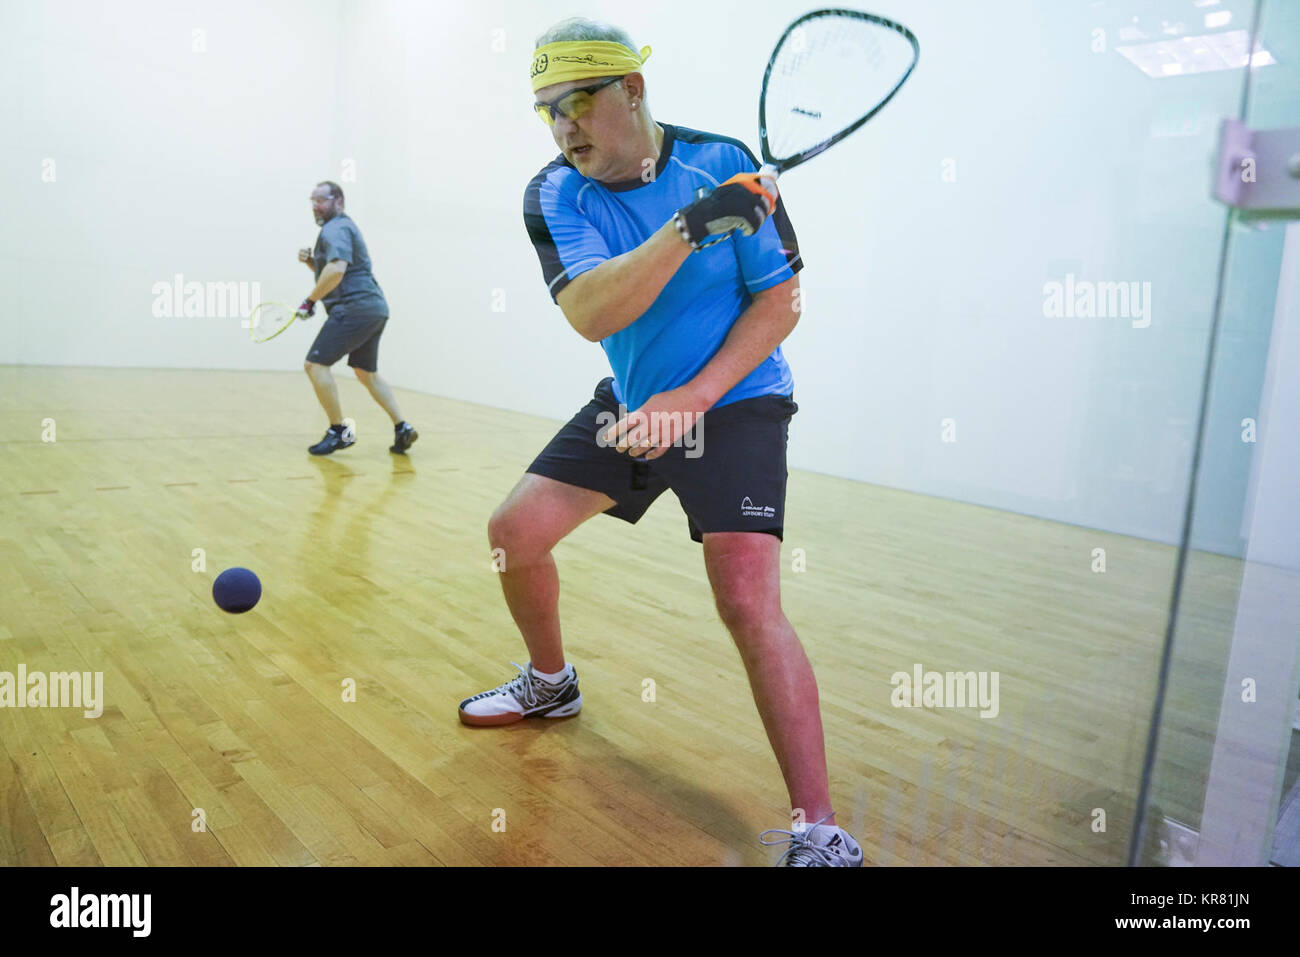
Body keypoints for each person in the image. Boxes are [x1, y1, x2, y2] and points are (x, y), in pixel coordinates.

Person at [456, 18, 862, 867]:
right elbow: (593, 313)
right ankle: (551, 683)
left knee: (746, 599)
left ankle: (819, 827)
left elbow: (780, 304)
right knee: (514, 535)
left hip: (739, 402)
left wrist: (695, 396)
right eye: (546, 111)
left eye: (576, 102)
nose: (562, 125)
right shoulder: (557, 193)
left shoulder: (722, 163)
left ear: (631, 91)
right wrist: (684, 230)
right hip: (635, 400)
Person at [297, 181, 417, 455]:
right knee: (366, 373)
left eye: (321, 200)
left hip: (354, 308)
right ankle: (403, 428)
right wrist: (312, 263)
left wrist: (310, 301)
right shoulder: (344, 228)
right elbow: (337, 269)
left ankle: (339, 432)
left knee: (315, 365)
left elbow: (337, 270)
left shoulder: (335, 227)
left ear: (338, 200)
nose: (315, 205)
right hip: (374, 307)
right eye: (312, 200)